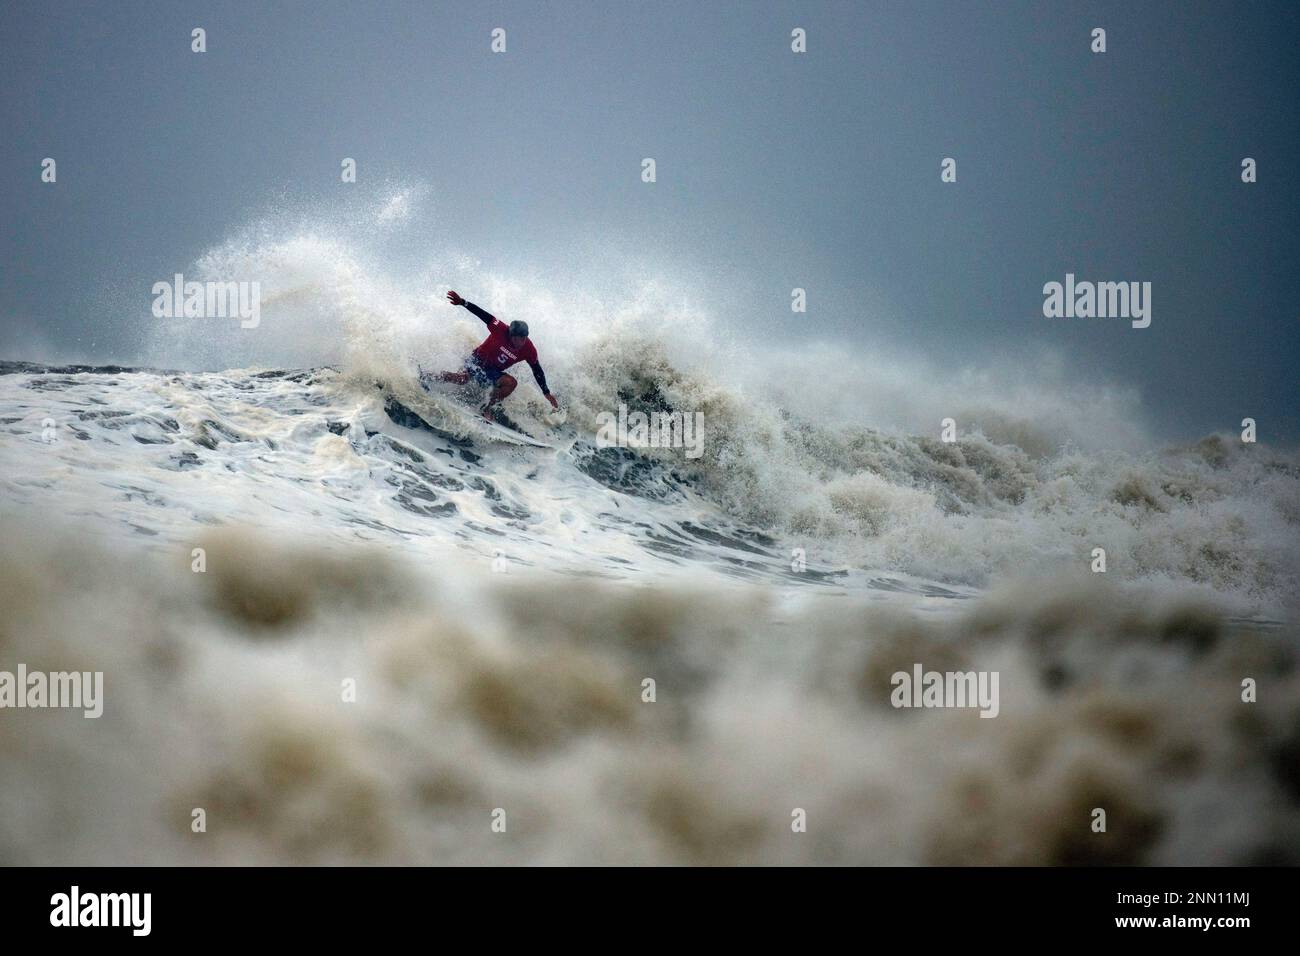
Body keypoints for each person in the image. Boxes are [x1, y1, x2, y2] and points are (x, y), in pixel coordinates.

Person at [428, 291, 559, 421]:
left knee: (511, 383)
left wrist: (546, 392)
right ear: (511, 335)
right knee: (462, 379)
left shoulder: (529, 348)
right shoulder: (500, 328)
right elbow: (483, 314)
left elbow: (536, 369)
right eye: (518, 339)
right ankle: (429, 376)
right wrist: (462, 302)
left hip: (493, 371)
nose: (521, 342)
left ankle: (487, 408)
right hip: (477, 360)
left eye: (524, 338)